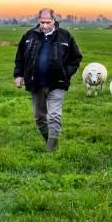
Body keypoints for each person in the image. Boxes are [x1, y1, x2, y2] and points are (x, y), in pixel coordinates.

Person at [13, 8, 82, 151]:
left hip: (57, 84)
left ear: (54, 21)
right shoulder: (29, 36)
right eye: (42, 22)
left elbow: (76, 58)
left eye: (47, 22)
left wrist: (65, 73)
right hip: (36, 82)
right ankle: (50, 142)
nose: (44, 25)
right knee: (39, 117)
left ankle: (50, 151)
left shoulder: (65, 36)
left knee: (54, 116)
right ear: (38, 21)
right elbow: (20, 57)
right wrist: (18, 75)